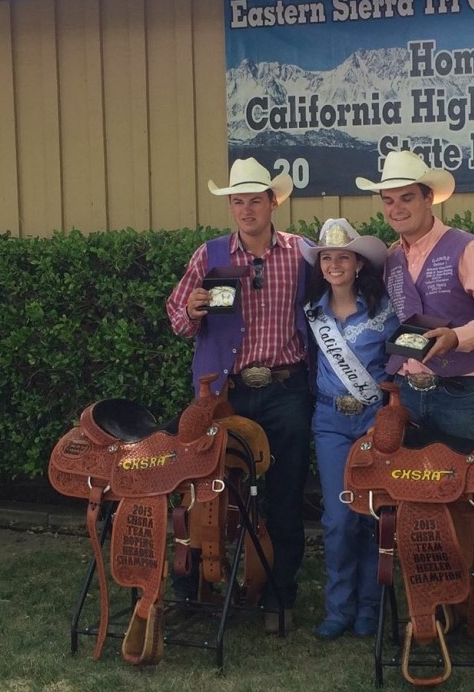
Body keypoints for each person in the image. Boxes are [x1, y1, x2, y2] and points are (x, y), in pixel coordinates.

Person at [355, 150, 474, 655]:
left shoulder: (468, 248)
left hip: (460, 395)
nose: (396, 208)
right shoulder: (389, 258)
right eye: (388, 200)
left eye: (405, 198)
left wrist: (457, 337)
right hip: (409, 395)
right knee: (414, 511)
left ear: (428, 198)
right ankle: (431, 616)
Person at [166, 157, 313, 633]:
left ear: (273, 203)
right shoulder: (207, 255)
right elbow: (178, 321)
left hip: (285, 387)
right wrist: (192, 309)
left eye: (254, 200)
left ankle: (279, 593)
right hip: (223, 392)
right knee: (202, 490)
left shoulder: (303, 254)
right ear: (230, 206)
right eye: (237, 201)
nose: (246, 209)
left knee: (286, 494)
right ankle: (191, 586)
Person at [298, 218, 399, 640]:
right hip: (330, 422)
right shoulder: (310, 313)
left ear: (358, 263)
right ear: (320, 265)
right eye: (327, 258)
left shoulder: (385, 310)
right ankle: (339, 608)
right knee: (339, 519)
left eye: (342, 257)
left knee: (374, 515)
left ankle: (370, 607)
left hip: (374, 421)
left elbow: (402, 358)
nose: (334, 264)